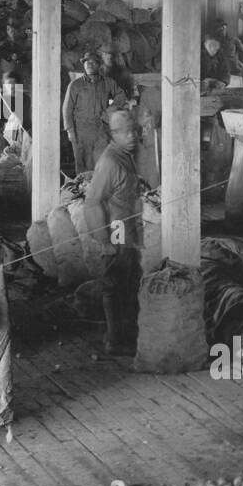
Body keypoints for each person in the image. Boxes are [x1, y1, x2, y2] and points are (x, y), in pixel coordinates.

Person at [83, 109, 143, 357]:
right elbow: (92, 202)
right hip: (116, 229)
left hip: (128, 227)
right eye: (125, 132)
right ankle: (114, 340)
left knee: (129, 281)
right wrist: (103, 240)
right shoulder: (110, 161)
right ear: (113, 134)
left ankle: (123, 335)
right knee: (114, 282)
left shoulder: (125, 155)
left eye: (135, 131)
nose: (132, 136)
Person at [62, 51, 125, 173]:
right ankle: (82, 190)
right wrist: (70, 131)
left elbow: (121, 96)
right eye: (86, 62)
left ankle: (98, 190)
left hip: (101, 130)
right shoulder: (75, 85)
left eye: (93, 62)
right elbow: (67, 109)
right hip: (80, 130)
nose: (89, 64)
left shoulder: (108, 83)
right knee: (82, 166)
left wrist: (109, 112)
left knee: (101, 164)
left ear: (99, 65)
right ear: (83, 65)